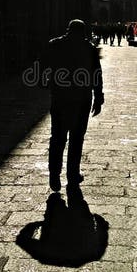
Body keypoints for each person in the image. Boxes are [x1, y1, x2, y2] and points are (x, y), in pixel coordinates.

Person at [46, 19, 103, 192]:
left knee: (57, 137)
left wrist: (47, 82)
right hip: (82, 99)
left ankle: (54, 175)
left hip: (60, 98)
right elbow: (97, 74)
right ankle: (72, 174)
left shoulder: (55, 45)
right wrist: (98, 97)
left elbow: (42, 65)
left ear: (68, 30)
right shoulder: (89, 48)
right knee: (76, 138)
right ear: (83, 32)